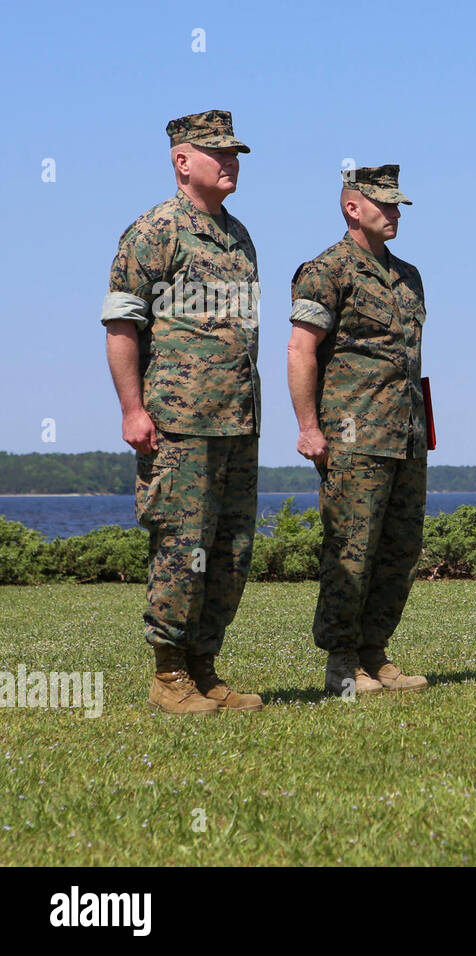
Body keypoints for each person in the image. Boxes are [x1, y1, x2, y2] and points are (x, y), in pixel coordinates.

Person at [102, 109, 263, 714]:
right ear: (182, 161)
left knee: (230, 549)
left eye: (235, 153)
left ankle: (204, 667)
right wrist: (132, 410)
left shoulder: (239, 235)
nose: (231, 162)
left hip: (238, 421)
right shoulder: (154, 231)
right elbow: (121, 324)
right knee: (181, 544)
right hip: (178, 423)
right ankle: (168, 676)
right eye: (218, 153)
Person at [287, 165, 430, 696]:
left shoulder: (408, 275)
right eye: (385, 204)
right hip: (352, 436)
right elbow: (301, 351)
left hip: (406, 435)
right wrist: (308, 427)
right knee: (351, 548)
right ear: (353, 207)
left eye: (398, 206)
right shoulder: (326, 270)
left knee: (400, 548)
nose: (394, 213)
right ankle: (342, 663)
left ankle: (376, 653)